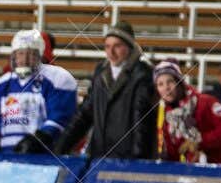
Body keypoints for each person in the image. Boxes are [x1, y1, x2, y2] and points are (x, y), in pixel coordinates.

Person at [53, 21, 158, 160]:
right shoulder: (101, 73)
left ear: (129, 46)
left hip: (126, 160)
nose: (111, 52)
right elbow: (85, 114)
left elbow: (141, 122)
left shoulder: (142, 74)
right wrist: (60, 148)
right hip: (99, 157)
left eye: (117, 46)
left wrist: (138, 161)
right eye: (107, 46)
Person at [0, 29, 77, 154]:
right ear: (13, 55)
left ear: (39, 55)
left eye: (30, 54)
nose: (24, 59)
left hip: (45, 161)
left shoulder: (57, 79)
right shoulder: (3, 84)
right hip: (7, 159)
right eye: (20, 53)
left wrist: (39, 140)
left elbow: (61, 120)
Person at [152, 58, 221, 165]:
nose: (166, 88)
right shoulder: (168, 117)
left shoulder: (205, 102)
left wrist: (200, 141)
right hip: (194, 172)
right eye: (160, 84)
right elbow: (172, 154)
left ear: (180, 82)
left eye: (170, 81)